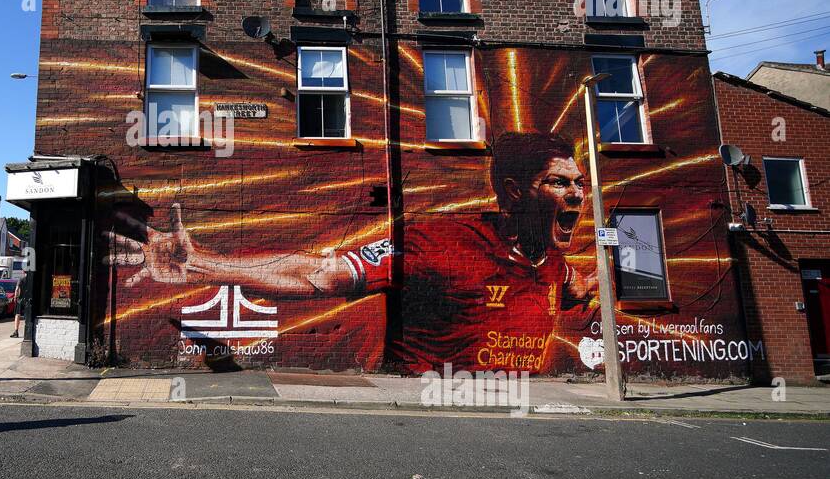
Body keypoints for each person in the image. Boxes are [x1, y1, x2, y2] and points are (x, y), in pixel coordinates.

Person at [105, 131, 599, 374]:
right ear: (514, 193)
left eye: (579, 184)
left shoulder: (552, 260)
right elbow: (320, 273)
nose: (578, 195)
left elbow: (561, 287)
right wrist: (202, 264)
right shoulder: (436, 243)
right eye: (559, 184)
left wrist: (583, 293)